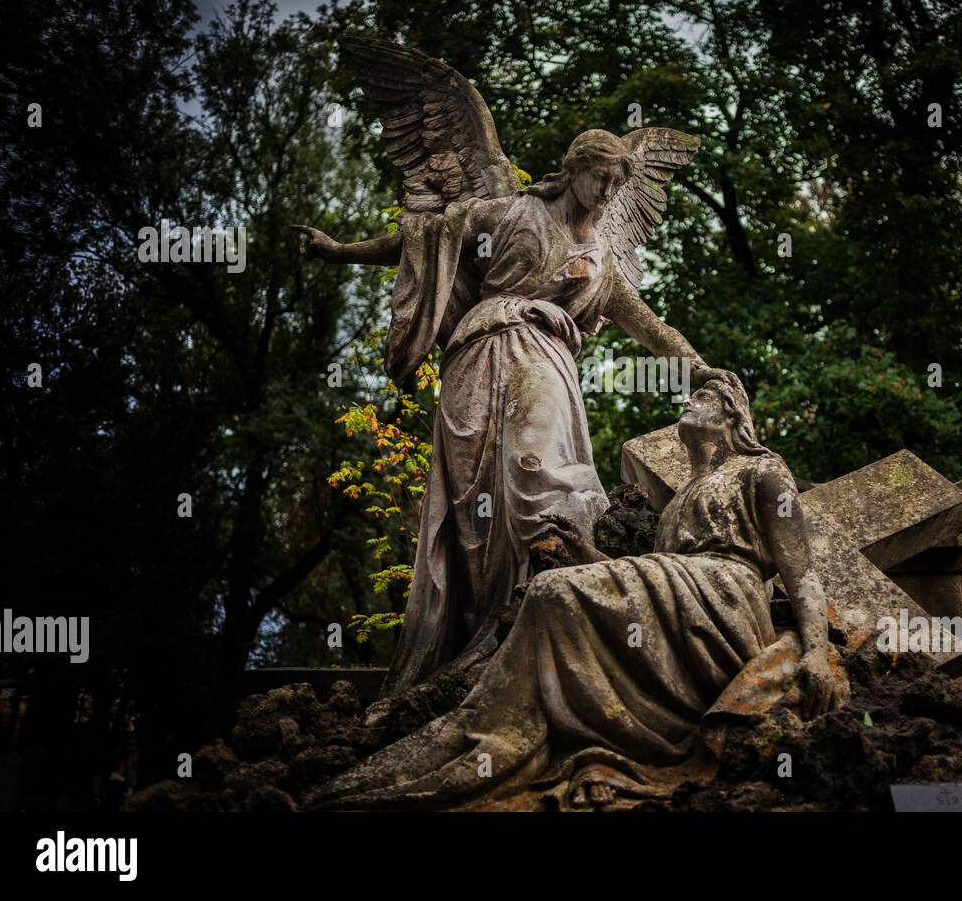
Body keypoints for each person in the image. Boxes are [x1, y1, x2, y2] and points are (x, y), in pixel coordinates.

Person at [295, 130, 738, 694]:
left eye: (617, 183)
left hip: (544, 358)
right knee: (473, 506)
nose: (606, 192)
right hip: (478, 353)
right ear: (575, 168)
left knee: (536, 468)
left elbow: (651, 327)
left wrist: (699, 369)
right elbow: (423, 242)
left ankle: (553, 602)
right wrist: (339, 252)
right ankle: (488, 628)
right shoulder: (511, 212)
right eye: (600, 176)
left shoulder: (602, 258)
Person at [309, 379, 847, 810]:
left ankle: (495, 733)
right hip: (677, 595)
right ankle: (514, 732)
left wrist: (817, 652)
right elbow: (644, 581)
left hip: (723, 603)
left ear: (734, 416)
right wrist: (584, 558)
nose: (690, 398)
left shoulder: (762, 470)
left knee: (551, 593)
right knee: (558, 592)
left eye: (705, 395)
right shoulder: (681, 498)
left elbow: (800, 572)